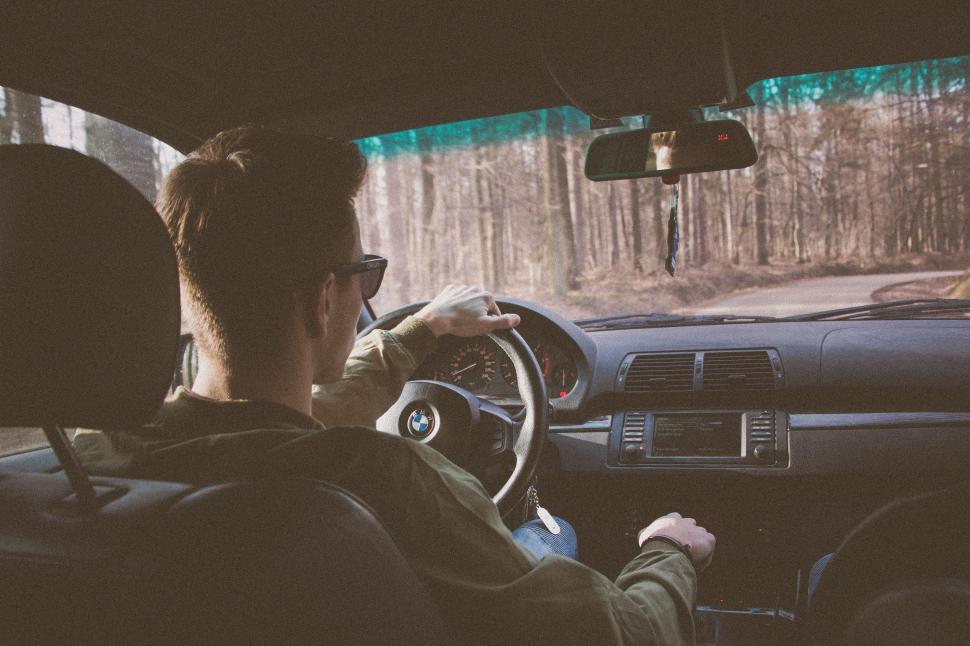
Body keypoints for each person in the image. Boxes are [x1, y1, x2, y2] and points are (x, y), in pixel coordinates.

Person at [76, 127, 715, 645]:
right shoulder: (386, 481)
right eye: (365, 273)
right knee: (557, 536)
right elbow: (626, 635)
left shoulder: (84, 465)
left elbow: (297, 418)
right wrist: (667, 553)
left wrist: (424, 329)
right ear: (327, 299)